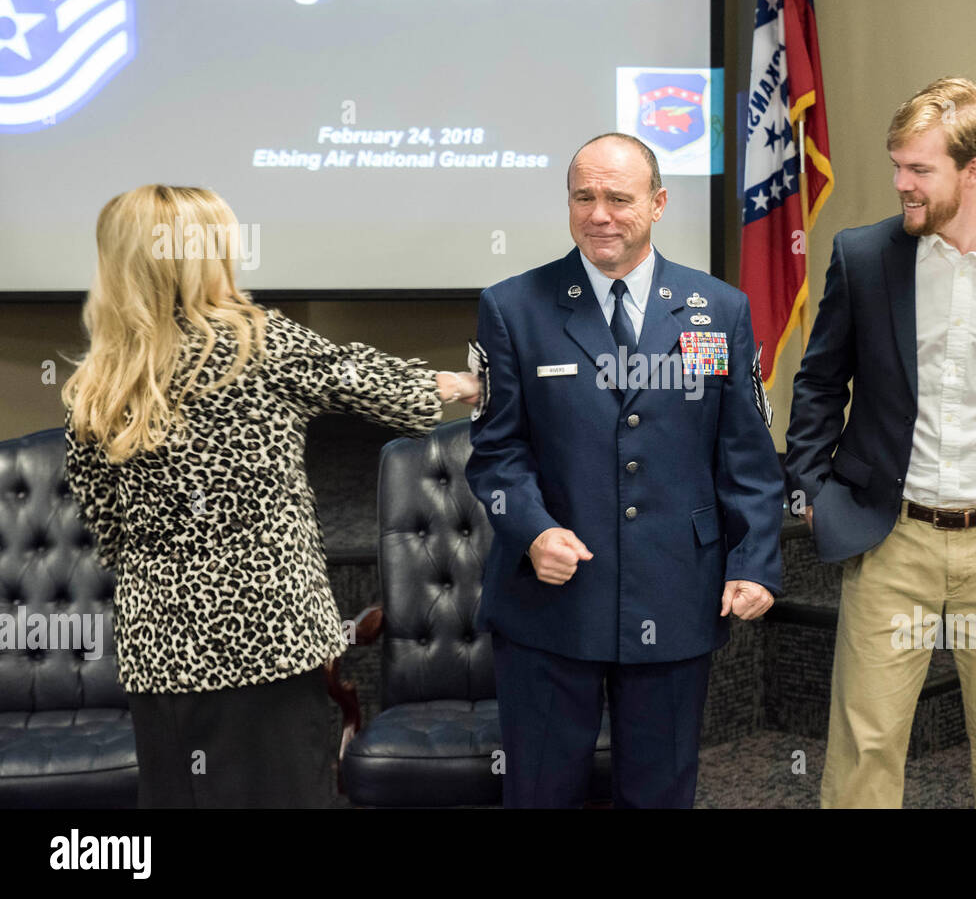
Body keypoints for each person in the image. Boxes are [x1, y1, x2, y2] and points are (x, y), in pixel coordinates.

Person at [61, 184, 478, 807]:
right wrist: (462, 383)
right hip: (272, 641)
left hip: (159, 652)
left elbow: (108, 532)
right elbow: (373, 385)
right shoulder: (258, 344)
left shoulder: (96, 384)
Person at [785, 77, 976, 808]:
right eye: (897, 166)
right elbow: (820, 382)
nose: (901, 184)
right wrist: (814, 492)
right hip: (891, 538)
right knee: (864, 748)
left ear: (974, 169)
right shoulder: (864, 256)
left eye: (918, 169)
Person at [464, 132, 784, 808]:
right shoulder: (513, 306)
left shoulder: (717, 309)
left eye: (618, 197)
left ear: (659, 203)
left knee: (660, 790)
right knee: (542, 790)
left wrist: (753, 559)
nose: (599, 214)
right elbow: (495, 454)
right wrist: (531, 529)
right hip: (550, 600)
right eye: (584, 197)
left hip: (674, 591)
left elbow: (747, 457)